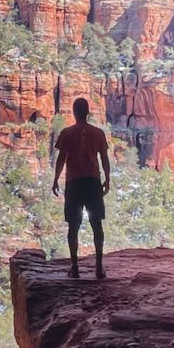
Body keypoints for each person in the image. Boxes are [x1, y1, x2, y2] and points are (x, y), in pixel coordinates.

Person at [51, 97, 111, 279]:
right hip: (93, 182)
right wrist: (107, 179)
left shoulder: (67, 133)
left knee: (73, 226)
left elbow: (61, 159)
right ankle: (99, 267)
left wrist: (55, 179)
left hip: (74, 183)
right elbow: (104, 159)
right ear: (88, 113)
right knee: (96, 224)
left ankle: (75, 267)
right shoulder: (98, 133)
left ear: (74, 113)